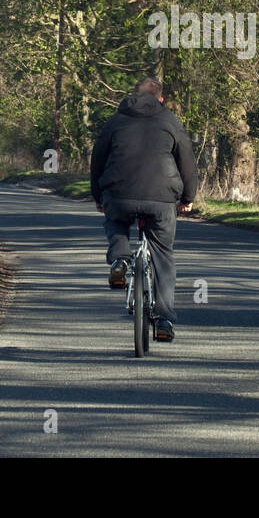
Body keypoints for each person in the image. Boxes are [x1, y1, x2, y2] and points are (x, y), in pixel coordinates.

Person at [90, 77, 197, 342]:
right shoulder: (170, 120)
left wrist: (98, 196)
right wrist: (188, 196)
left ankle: (120, 259)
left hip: (119, 193)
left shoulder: (116, 120)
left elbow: (98, 159)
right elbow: (186, 159)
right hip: (161, 198)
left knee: (115, 221)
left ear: (133, 95)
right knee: (163, 254)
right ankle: (163, 321)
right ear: (160, 99)